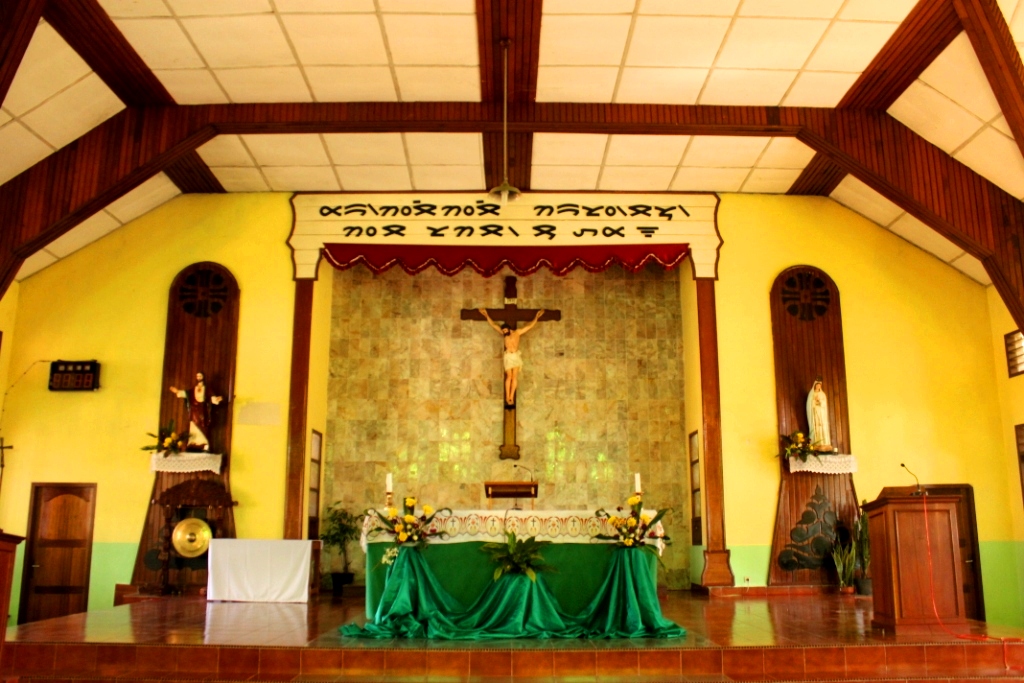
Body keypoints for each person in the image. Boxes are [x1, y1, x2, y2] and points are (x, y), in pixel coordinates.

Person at [479, 308, 544, 406]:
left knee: (514, 377)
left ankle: (511, 396)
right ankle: (507, 396)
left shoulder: (517, 332)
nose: (504, 332)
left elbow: (529, 326)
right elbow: (493, 325)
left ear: (508, 328)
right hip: (508, 356)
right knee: (509, 376)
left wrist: (536, 317)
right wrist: (486, 315)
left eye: (505, 330)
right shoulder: (504, 334)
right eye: (503, 331)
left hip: (516, 356)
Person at [170, 372, 223, 451]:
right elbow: (186, 394)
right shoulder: (193, 389)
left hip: (202, 411)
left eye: (200, 376)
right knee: (193, 427)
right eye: (197, 376)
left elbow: (211, 398)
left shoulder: (207, 389)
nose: (198, 377)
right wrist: (177, 391)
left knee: (203, 427)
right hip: (194, 411)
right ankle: (193, 444)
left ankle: (204, 444)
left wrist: (216, 399)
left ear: (203, 377)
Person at [806, 378, 832, 450]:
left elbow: (824, 405)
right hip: (815, 414)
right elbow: (809, 405)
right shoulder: (812, 394)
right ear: (815, 386)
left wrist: (819, 401)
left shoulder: (822, 394)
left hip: (821, 413)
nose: (818, 386)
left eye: (820, 385)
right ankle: (816, 443)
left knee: (822, 427)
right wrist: (814, 402)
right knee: (816, 427)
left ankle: (824, 443)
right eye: (817, 385)